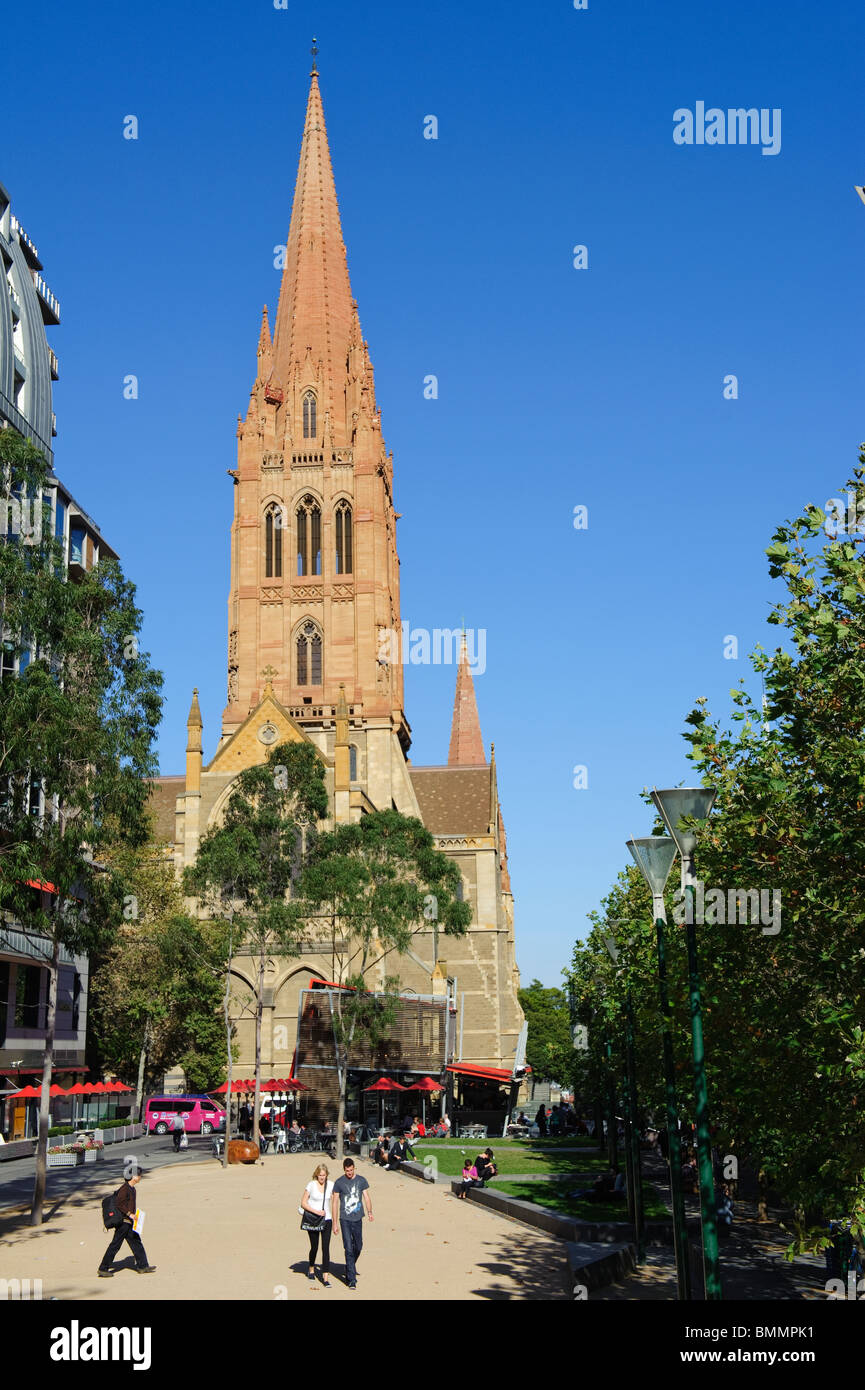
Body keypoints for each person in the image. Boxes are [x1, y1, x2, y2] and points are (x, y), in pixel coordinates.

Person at [98, 1166, 156, 1276]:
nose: (140, 1177)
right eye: (139, 1175)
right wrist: (130, 1214)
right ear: (133, 1177)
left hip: (129, 1222)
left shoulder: (131, 1188)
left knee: (136, 1243)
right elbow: (119, 1204)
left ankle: (143, 1266)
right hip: (123, 1222)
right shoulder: (125, 1189)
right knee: (115, 1245)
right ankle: (103, 1268)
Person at [332, 1157, 373, 1290]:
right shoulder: (339, 1182)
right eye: (347, 1171)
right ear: (344, 1170)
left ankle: (350, 1266)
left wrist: (370, 1212)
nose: (349, 1173)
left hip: (358, 1218)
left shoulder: (361, 1180)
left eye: (351, 1170)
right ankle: (351, 1280)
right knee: (348, 1248)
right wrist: (334, 1223)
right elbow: (335, 1202)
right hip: (345, 1219)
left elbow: (366, 1196)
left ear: (354, 1168)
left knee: (358, 1246)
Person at [301, 1163, 334, 1286]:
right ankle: (311, 1268)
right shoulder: (311, 1185)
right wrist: (316, 1212)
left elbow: (336, 1199)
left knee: (326, 1248)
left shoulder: (331, 1185)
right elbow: (303, 1203)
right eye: (320, 1175)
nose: (322, 1178)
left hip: (327, 1220)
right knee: (314, 1247)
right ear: (316, 1175)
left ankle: (325, 1277)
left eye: (324, 1175)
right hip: (313, 1219)